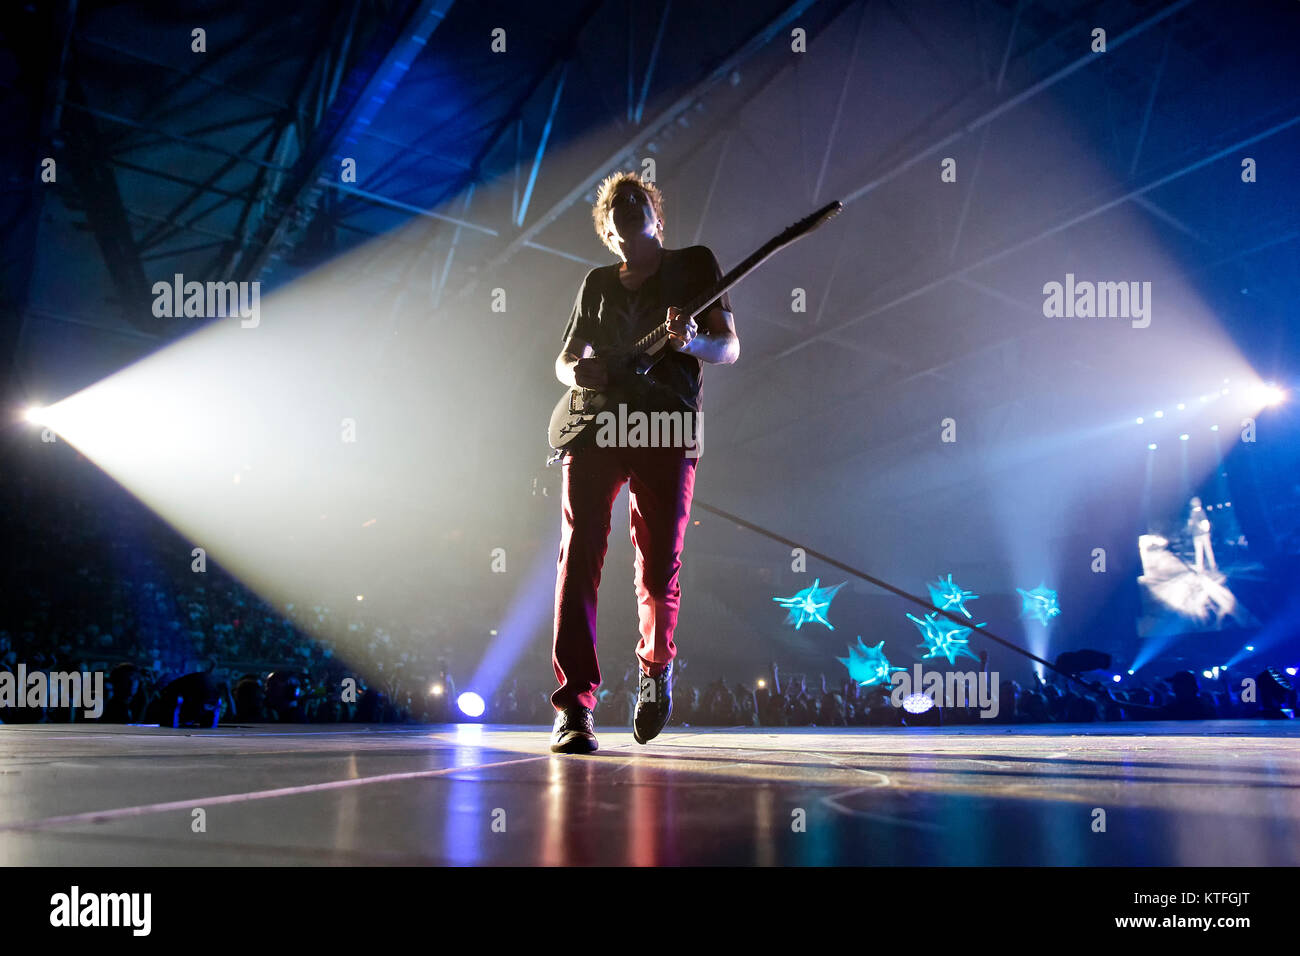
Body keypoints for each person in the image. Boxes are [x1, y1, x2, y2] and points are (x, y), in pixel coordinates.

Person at [549, 171, 740, 754]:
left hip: (668, 428)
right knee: (579, 554)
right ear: (609, 231)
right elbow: (563, 359)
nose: (627, 206)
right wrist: (575, 371)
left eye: (638, 200)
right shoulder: (596, 283)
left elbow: (727, 346)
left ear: (657, 218)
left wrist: (689, 343)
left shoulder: (696, 265)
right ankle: (575, 708)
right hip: (597, 427)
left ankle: (654, 671)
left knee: (657, 565)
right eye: (615, 205)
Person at [1187, 497, 1217, 572]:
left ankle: (1200, 568)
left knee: (1198, 552)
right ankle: (1212, 566)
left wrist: (1190, 532)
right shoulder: (1201, 512)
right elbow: (1205, 523)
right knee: (1208, 550)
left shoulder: (1191, 514)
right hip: (1203, 535)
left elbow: (1190, 525)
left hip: (1196, 535)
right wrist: (1207, 531)